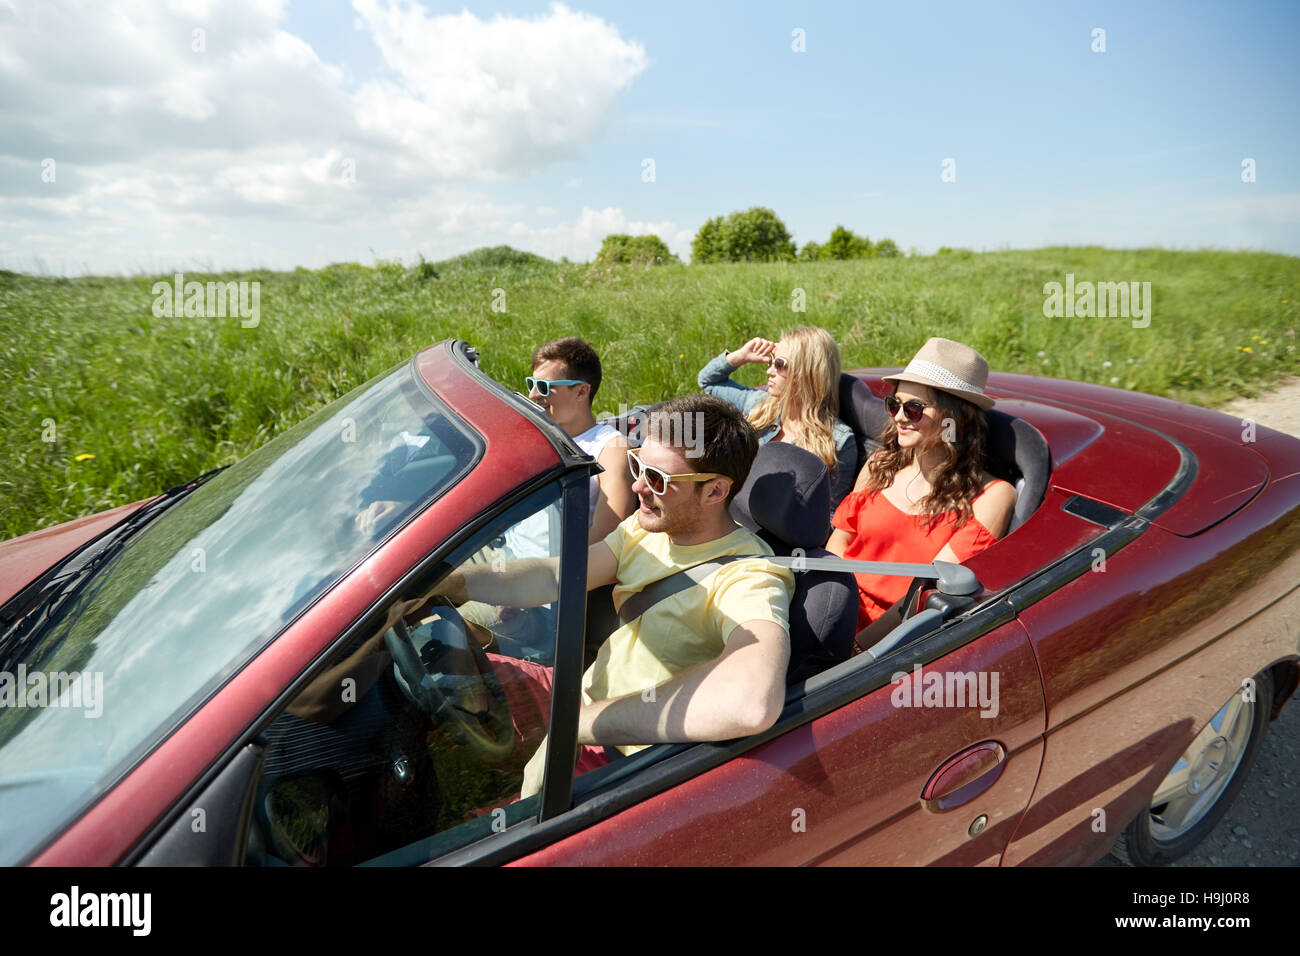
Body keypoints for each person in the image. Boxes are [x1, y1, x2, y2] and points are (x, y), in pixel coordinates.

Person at [427, 394, 796, 797]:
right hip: (576, 694)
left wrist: (578, 727)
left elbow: (752, 703)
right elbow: (556, 576)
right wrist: (455, 582)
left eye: (656, 478)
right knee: (437, 658)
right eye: (636, 463)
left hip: (619, 751)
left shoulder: (749, 578)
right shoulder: (647, 525)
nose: (637, 485)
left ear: (715, 491)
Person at [826, 337, 1017, 632]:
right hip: (836, 611)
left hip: (889, 637)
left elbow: (925, 593)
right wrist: (828, 612)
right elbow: (840, 541)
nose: (900, 417)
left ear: (954, 418)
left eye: (914, 408)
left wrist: (859, 648)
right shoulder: (880, 465)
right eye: (894, 405)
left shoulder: (991, 496)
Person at [698, 327, 857, 507]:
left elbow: (829, 515)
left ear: (807, 373)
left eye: (779, 364)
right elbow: (708, 381)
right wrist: (740, 356)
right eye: (771, 362)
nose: (769, 371)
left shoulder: (837, 441)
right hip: (729, 514)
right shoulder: (759, 404)